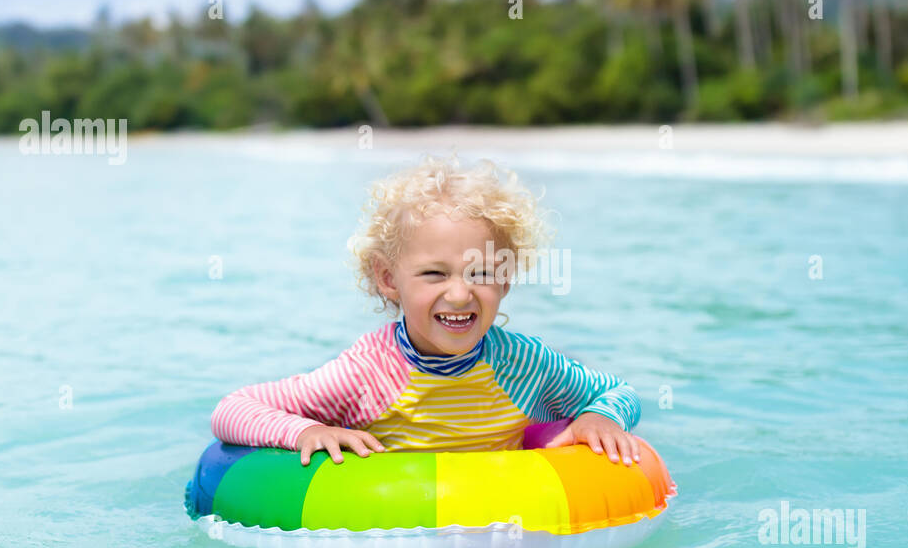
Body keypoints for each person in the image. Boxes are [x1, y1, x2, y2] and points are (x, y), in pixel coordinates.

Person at [211, 154, 642, 466]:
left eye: (482, 273)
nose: (459, 295)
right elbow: (233, 409)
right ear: (388, 279)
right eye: (434, 274)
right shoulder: (368, 373)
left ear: (506, 278)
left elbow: (618, 392)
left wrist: (597, 417)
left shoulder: (524, 363)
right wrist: (307, 431)